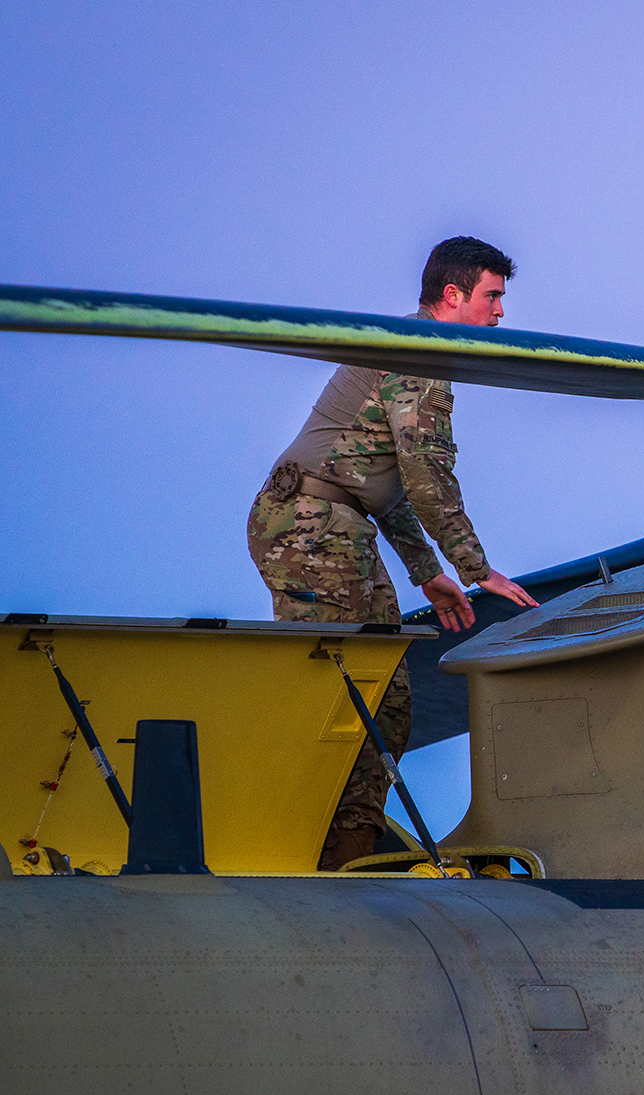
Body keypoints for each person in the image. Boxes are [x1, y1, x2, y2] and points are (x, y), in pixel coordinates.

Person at [248, 236, 539, 869]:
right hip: (311, 523)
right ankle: (295, 846)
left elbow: (389, 481)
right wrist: (475, 568)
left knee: (388, 701)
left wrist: (428, 572)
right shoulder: (418, 354)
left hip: (340, 524)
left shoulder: (414, 351)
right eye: (492, 297)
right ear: (453, 295)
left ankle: (347, 853)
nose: (498, 314)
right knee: (343, 695)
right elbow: (426, 470)